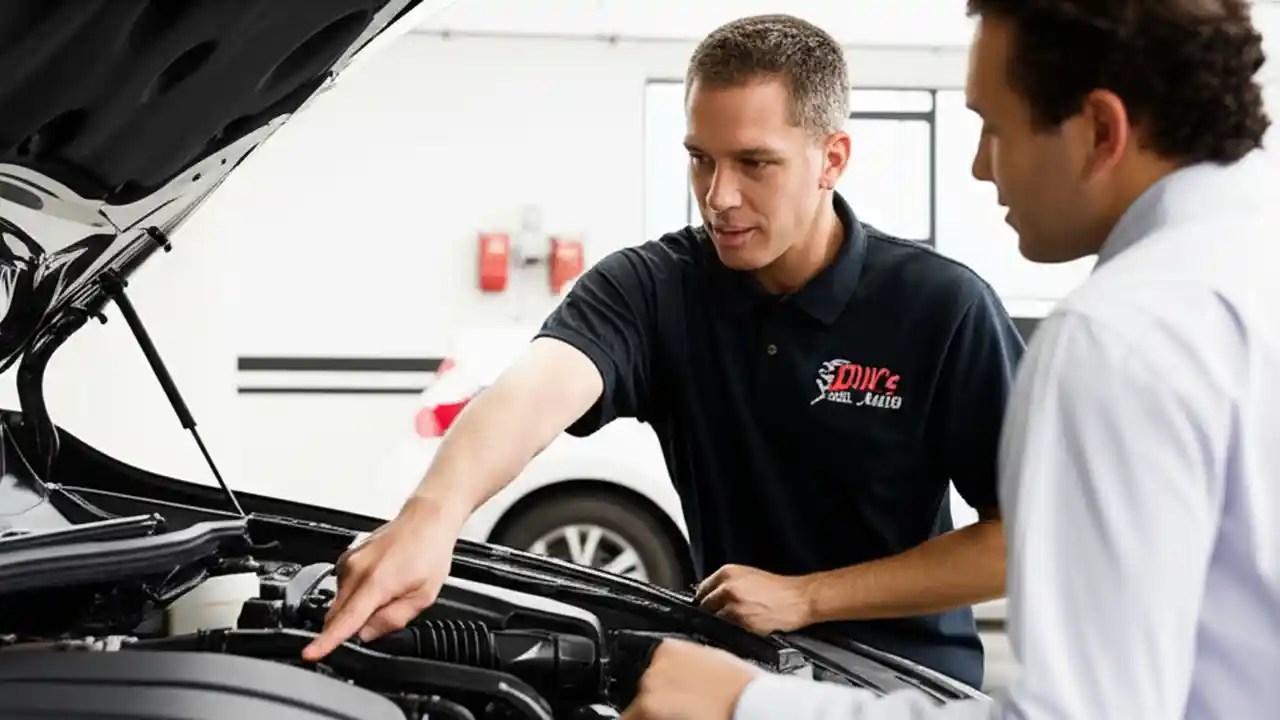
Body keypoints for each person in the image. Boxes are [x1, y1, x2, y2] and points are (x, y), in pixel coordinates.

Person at [302, 14, 1025, 688]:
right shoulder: (656, 288)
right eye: (699, 160)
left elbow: (1016, 541)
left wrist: (807, 597)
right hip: (737, 676)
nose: (719, 197)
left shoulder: (940, 308)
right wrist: (432, 516)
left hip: (902, 684)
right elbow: (538, 386)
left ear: (831, 158)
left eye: (754, 163)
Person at [617, 1, 1280, 718]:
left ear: (1099, 130)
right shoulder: (1250, 272)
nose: (979, 166)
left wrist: (747, 705)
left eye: (994, 126)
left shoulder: (1118, 334)